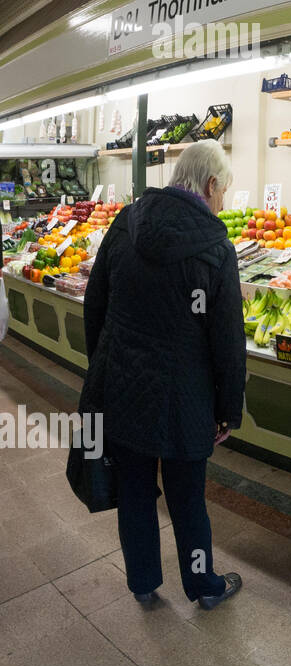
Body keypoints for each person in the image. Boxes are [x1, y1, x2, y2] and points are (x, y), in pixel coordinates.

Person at [79, 139, 245, 610]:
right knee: (187, 499)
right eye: (224, 192)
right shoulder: (216, 246)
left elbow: (96, 304)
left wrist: (105, 370)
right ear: (211, 185)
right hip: (185, 399)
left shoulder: (126, 222)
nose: (223, 202)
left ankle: (143, 580)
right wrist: (228, 408)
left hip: (124, 390)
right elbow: (227, 341)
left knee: (134, 489)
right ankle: (203, 585)